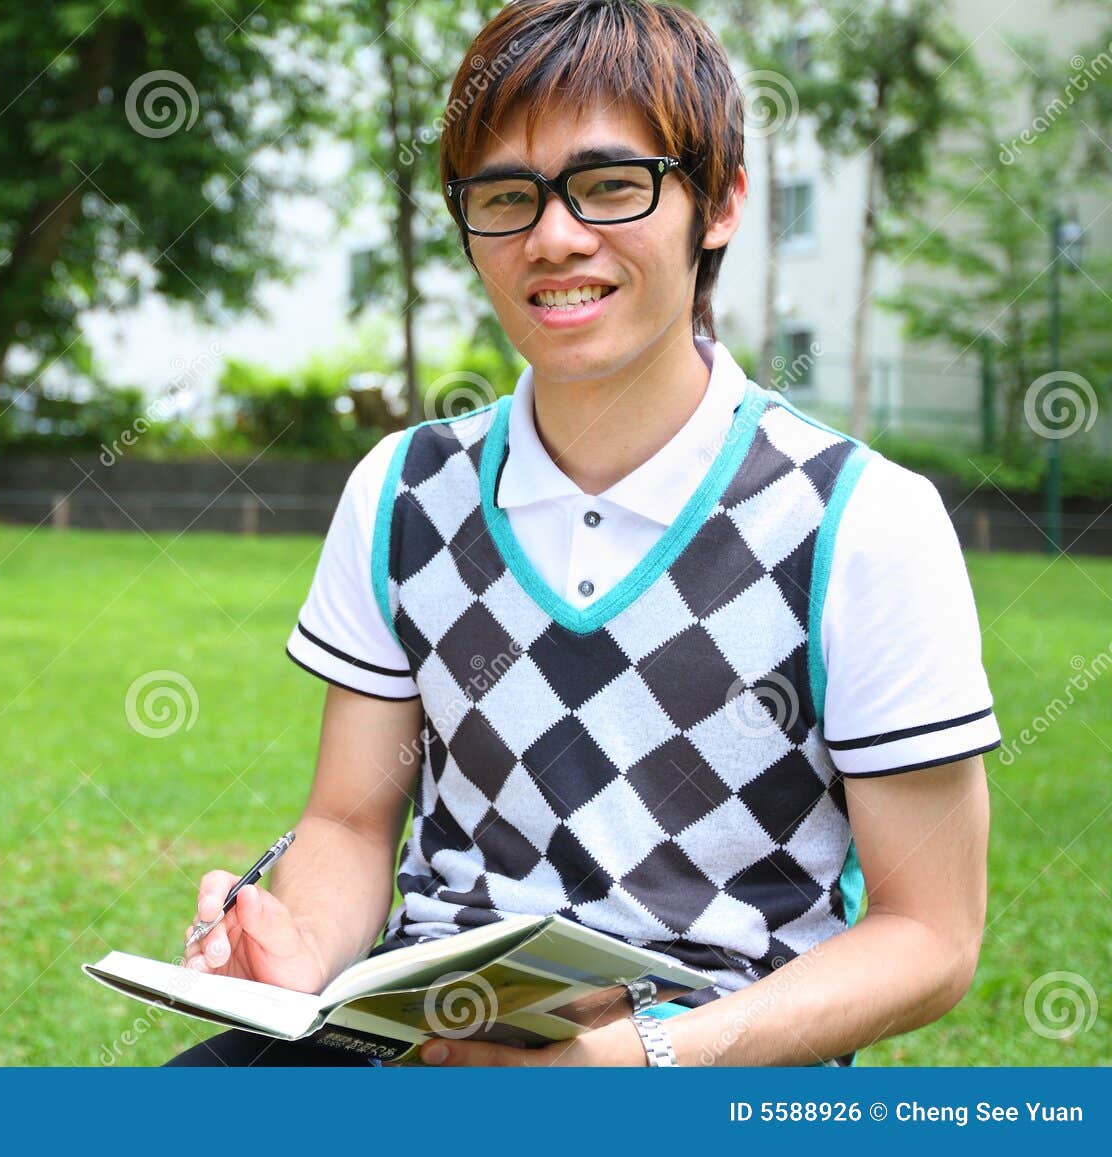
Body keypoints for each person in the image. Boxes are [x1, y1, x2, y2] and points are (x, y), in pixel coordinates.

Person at [166, 0, 998, 1069]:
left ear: (720, 203)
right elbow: (350, 820)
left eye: (611, 185)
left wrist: (649, 1057)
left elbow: (929, 932)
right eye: (506, 197)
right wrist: (303, 955)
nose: (554, 237)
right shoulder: (404, 489)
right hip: (421, 1048)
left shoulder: (864, 520)